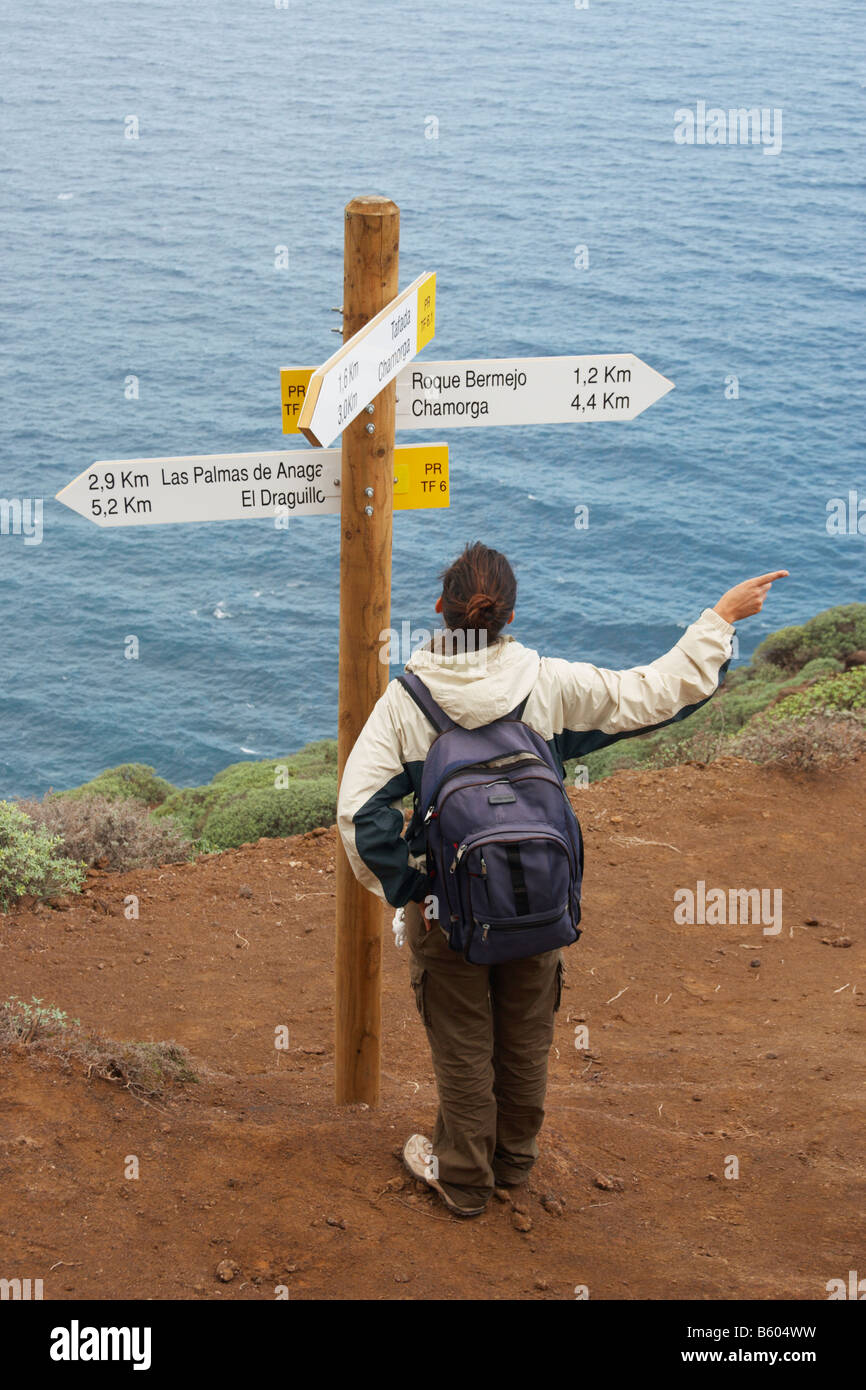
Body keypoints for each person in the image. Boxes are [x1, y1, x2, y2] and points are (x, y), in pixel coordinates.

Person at [337, 542, 788, 1217]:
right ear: (510, 615)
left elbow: (359, 816)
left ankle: (463, 1178)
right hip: (537, 898)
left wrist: (415, 893)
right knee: (525, 1032)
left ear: (440, 609)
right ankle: (514, 1162)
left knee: (463, 1040)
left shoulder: (407, 703)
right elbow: (655, 696)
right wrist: (720, 618)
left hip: (452, 914)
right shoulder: (545, 683)